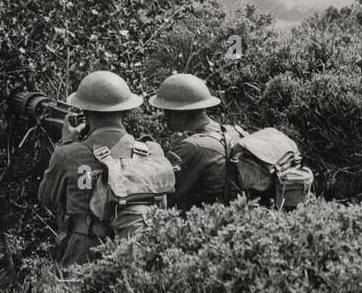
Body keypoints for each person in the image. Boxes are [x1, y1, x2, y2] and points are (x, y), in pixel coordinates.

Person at [37, 70, 170, 265]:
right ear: (125, 111)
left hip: (84, 252)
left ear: (85, 112)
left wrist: (66, 143)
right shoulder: (152, 151)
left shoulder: (68, 154)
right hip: (140, 249)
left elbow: (46, 199)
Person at [149, 73, 240, 211]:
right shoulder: (232, 132)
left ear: (176, 113)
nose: (164, 118)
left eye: (166, 111)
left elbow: (160, 195)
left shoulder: (193, 147)